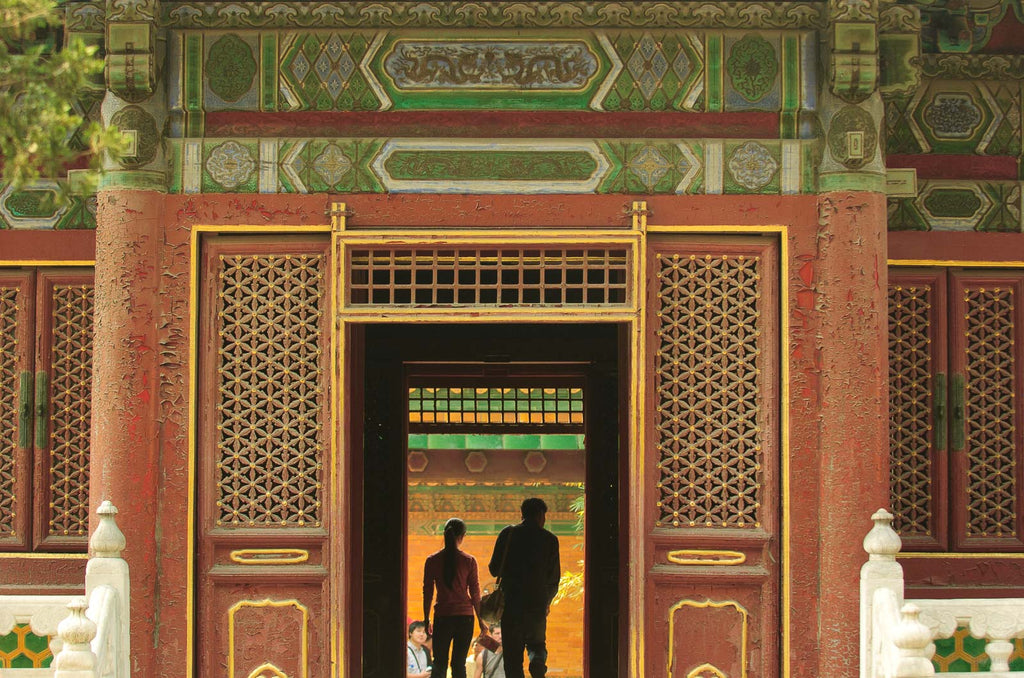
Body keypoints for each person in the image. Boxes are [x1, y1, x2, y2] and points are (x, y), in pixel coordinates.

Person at [488, 498, 560, 678]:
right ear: (540, 515)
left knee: (512, 658)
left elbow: (494, 568)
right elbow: (553, 579)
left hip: (511, 604)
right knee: (537, 645)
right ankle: (536, 664)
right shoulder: (550, 540)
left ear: (522, 514)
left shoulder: (508, 533)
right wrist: (546, 601)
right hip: (536, 604)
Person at [423, 517, 487, 678]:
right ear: (462, 536)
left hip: (443, 616)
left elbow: (428, 592)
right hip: (465, 618)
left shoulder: (432, 561)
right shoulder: (469, 561)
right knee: (459, 664)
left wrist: (426, 618)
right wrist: (481, 620)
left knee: (439, 663)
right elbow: (475, 593)